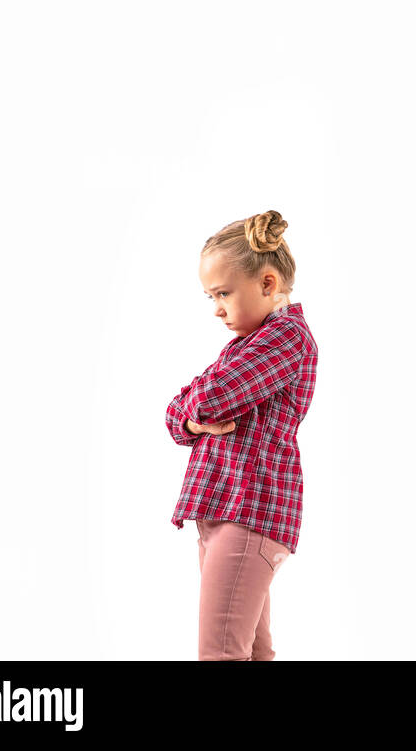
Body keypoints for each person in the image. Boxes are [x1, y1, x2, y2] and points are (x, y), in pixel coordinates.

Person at [164, 210, 318, 661]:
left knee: (221, 653)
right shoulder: (248, 345)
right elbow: (177, 416)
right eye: (211, 295)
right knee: (252, 652)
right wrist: (194, 416)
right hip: (226, 512)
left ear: (267, 284)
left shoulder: (287, 337)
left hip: (248, 512)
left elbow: (208, 397)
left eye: (223, 293)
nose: (216, 308)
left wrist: (196, 407)